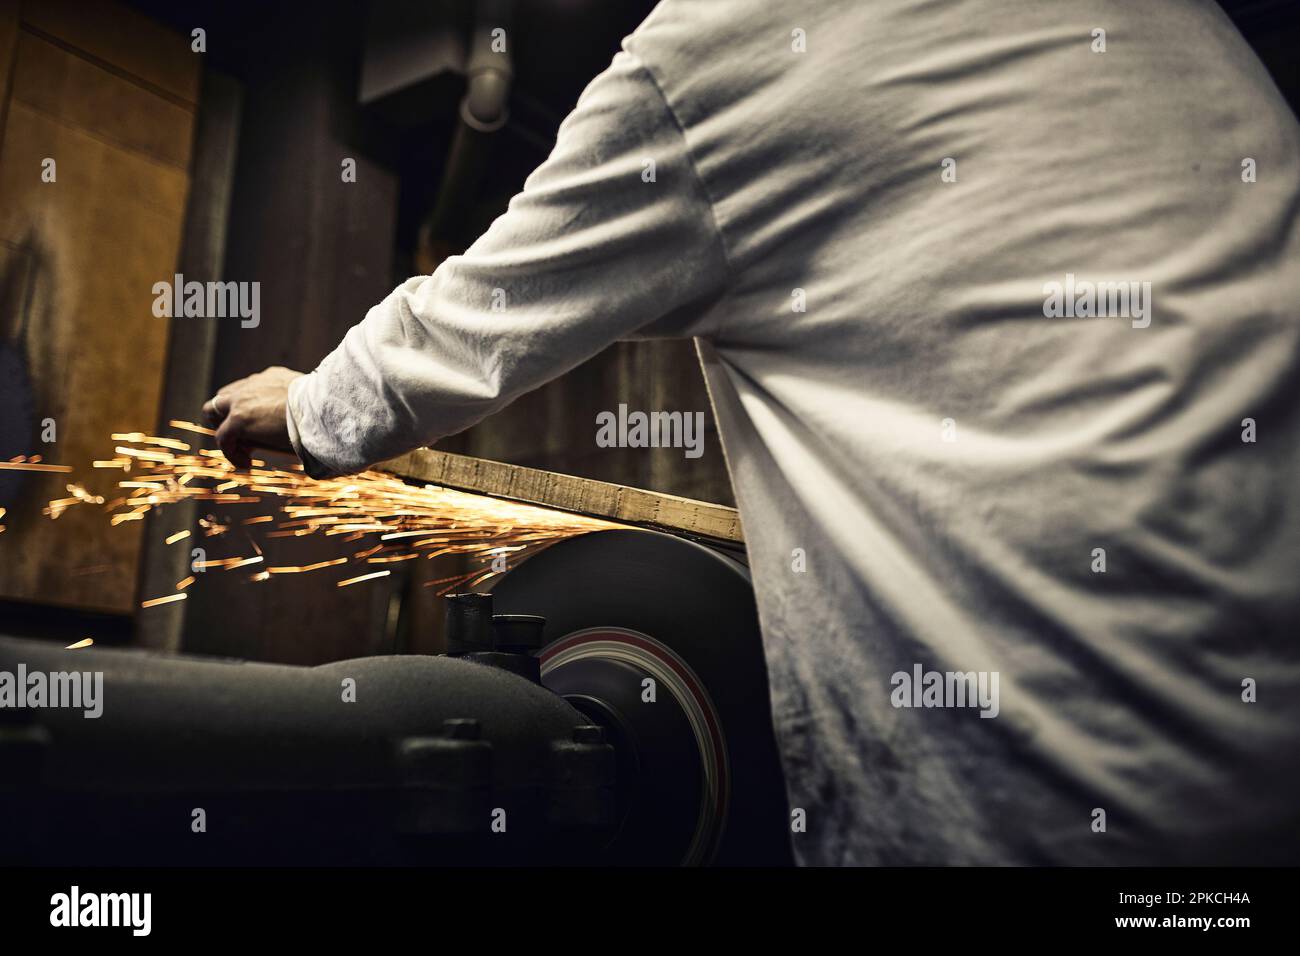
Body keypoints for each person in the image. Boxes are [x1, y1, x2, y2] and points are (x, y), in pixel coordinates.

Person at [204, 0, 1300, 865]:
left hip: (1058, 787)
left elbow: (486, 309)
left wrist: (312, 406)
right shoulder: (1177, 28)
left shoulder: (730, 40)